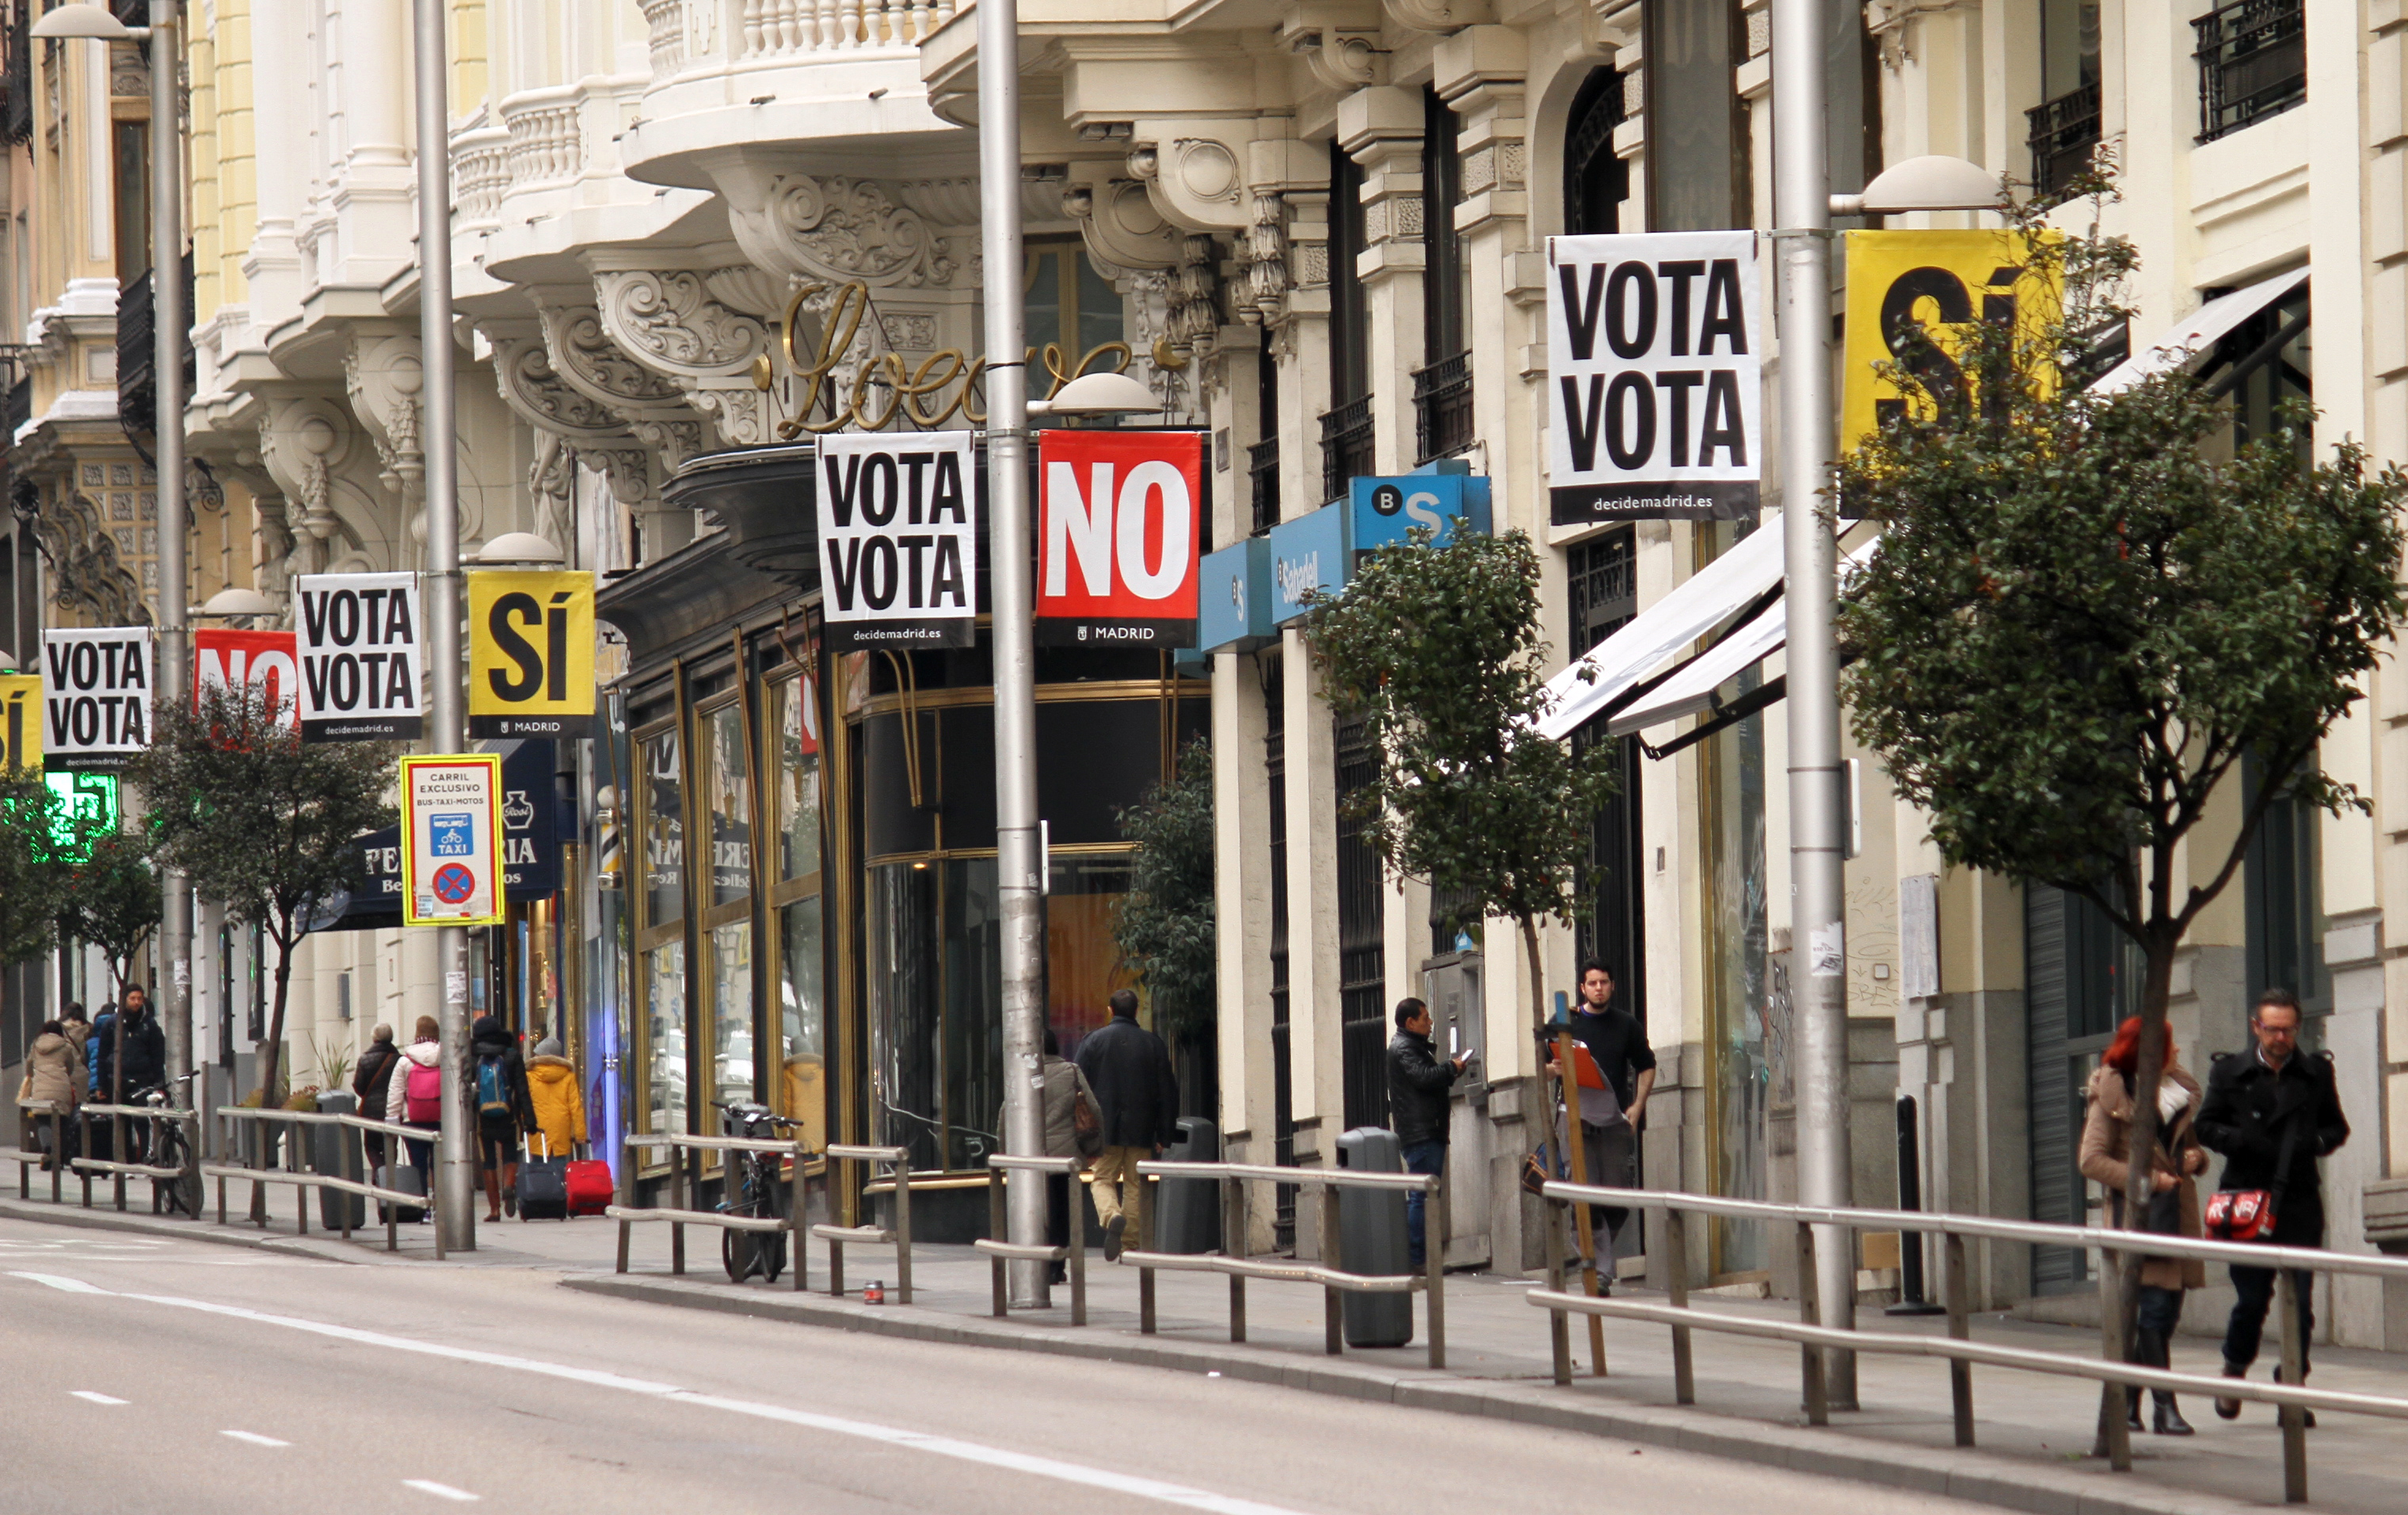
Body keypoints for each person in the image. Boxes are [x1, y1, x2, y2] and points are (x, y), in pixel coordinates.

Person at [2197, 987, 2349, 1422]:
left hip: (2298, 1201)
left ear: (2297, 1028)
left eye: (2288, 1029)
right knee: (2252, 1299)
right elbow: (2204, 1126)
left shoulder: (2315, 1073)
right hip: (2246, 1203)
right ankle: (2234, 1369)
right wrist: (2239, 1141)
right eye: (2272, 1029)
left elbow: (2337, 1127)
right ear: (2256, 1028)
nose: (2280, 1038)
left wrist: (2314, 1143)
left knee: (2300, 1304)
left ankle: (2292, 1389)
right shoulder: (2229, 1073)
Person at [2078, 1015, 2208, 1437]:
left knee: (2164, 1315)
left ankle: (2127, 1404)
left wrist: (2196, 1160)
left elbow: (2188, 1147)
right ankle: (2164, 1407)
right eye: (2169, 1046)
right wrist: (2150, 1181)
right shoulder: (2112, 1097)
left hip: (2177, 1218)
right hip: (2141, 1218)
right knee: (2152, 1313)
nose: (2177, 1053)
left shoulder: (2175, 1091)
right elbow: (2091, 1160)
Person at [1544, 960, 1656, 1278]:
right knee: (1585, 1195)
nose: (1598, 988)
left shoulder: (1626, 1024)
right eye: (1592, 983)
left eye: (1604, 982)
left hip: (1613, 1120)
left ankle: (1594, 1252)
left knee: (1617, 1200)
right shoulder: (1566, 1023)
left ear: (1612, 986)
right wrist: (1555, 1068)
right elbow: (1543, 1065)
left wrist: (1637, 1106)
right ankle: (1600, 1271)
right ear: (1582, 988)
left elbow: (1647, 1064)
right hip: (1574, 1118)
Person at [1073, 987, 1179, 1261]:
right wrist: (1164, 1133)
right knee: (1135, 1184)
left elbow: (1078, 1086)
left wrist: (1080, 1131)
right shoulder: (1153, 1043)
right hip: (1142, 1128)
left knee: (1102, 1179)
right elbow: (1166, 1091)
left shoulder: (1093, 1041)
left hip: (1103, 1128)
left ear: (1110, 1011)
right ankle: (1129, 1245)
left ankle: (1112, 1217)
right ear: (1136, 1011)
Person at [999, 1029, 1102, 1284]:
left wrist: (1003, 1154)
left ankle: (1036, 1263)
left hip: (1029, 1158)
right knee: (1060, 1211)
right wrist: (1095, 1148)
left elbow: (1005, 1115)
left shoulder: (1021, 1074)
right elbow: (1093, 1108)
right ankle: (1057, 1266)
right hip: (1063, 1159)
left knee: (1033, 1211)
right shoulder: (1071, 1071)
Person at [1387, 997, 1466, 1269]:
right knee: (1422, 1195)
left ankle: (1423, 1257)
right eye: (1425, 1018)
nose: (1430, 1023)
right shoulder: (1405, 1048)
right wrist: (1450, 1068)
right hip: (1421, 1132)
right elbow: (1423, 1077)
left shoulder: (1409, 1045)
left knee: (1425, 1194)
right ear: (1411, 1022)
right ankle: (1418, 1259)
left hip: (1425, 1130)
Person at [468, 1014, 536, 1222]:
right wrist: (530, 1119)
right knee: (510, 1154)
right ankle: (508, 1186)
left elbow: (466, 1091)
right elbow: (523, 1090)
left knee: (488, 1161)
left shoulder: (473, 1058)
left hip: (483, 1117)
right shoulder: (511, 1056)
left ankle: (495, 1210)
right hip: (509, 1115)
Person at [92, 986, 165, 1162]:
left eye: (140, 998)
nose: (137, 1002)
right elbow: (102, 1055)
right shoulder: (112, 1024)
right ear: (125, 1000)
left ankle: (146, 1156)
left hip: (142, 1078)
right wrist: (101, 1084)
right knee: (121, 1120)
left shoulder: (149, 1024)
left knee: (141, 1119)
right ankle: (124, 1159)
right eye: (133, 998)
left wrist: (159, 1082)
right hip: (118, 1079)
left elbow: (157, 1055)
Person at [386, 1016, 444, 1191]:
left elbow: (395, 1092)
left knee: (418, 1164)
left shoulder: (405, 1061)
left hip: (413, 1118)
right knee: (440, 1164)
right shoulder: (445, 1058)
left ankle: (423, 1204)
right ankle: (440, 1203)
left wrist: (392, 1118)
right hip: (440, 1119)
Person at [17, 1020, 84, 1168]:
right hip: (61, 1088)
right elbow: (70, 1067)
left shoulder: (36, 1045)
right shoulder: (65, 1046)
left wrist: (33, 1075)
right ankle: (59, 1155)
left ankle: (47, 1149)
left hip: (41, 1087)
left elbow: (29, 1065)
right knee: (62, 1122)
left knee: (42, 1120)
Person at [524, 1036, 588, 1165]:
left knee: (539, 1167)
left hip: (537, 1127)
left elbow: (525, 1103)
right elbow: (575, 1107)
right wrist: (580, 1134)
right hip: (561, 1128)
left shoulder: (530, 1076)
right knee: (560, 1167)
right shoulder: (568, 1076)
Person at [352, 1025, 402, 1170]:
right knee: (391, 1145)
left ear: (374, 1038)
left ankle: (380, 1172)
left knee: (371, 1146)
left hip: (371, 1112)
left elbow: (359, 1087)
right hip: (394, 1109)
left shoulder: (365, 1059)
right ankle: (388, 1175)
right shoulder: (399, 1059)